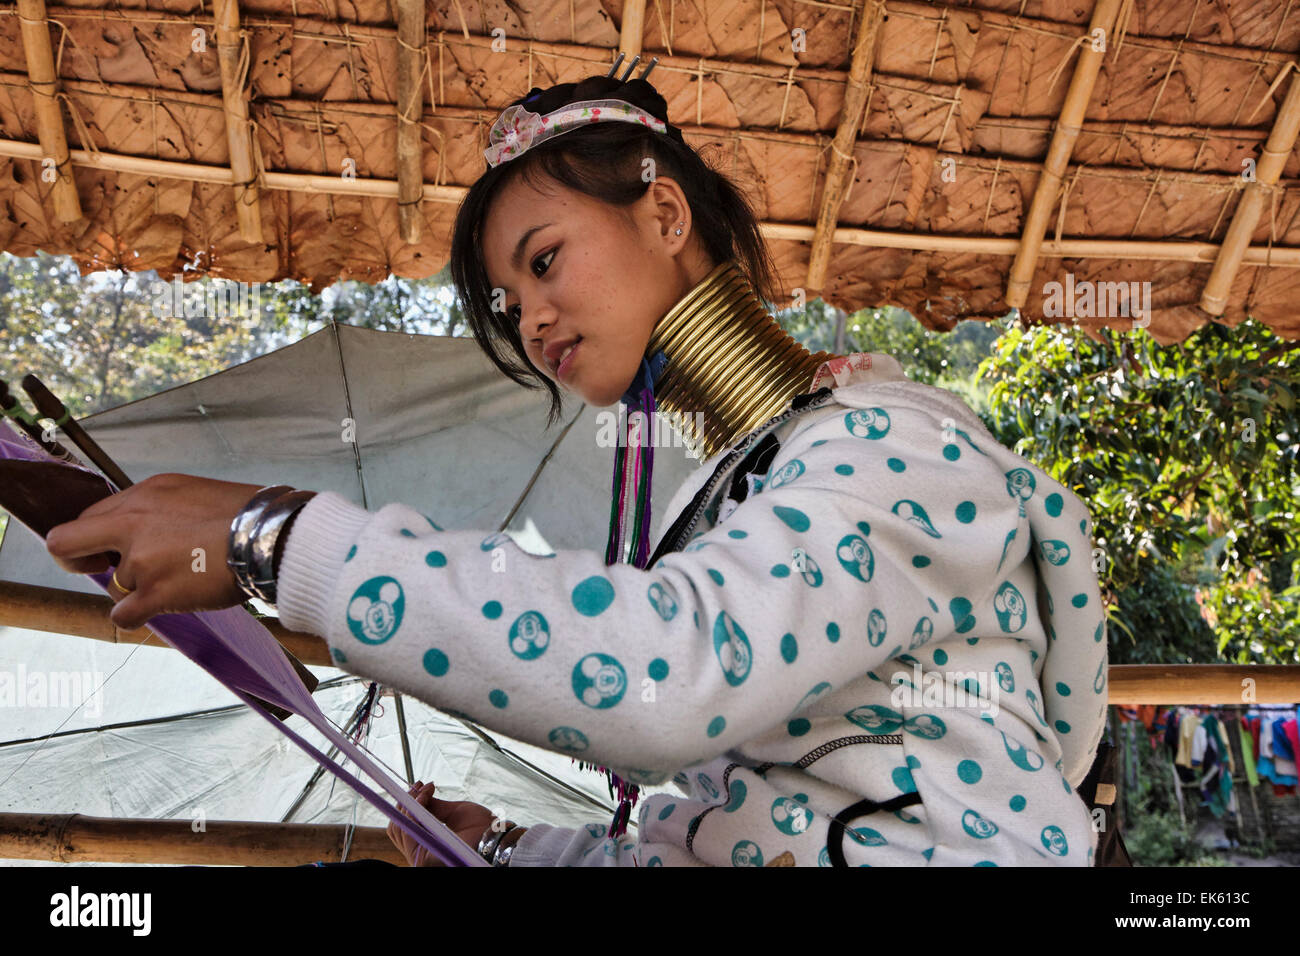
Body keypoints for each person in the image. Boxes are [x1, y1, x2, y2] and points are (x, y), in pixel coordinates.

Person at [44, 62, 1109, 867]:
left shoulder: (891, 448)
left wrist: (273, 536)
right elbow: (729, 827)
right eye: (509, 301)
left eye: (544, 260)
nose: (532, 317)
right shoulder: (744, 494)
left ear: (664, 211)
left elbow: (662, 675)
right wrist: (511, 844)